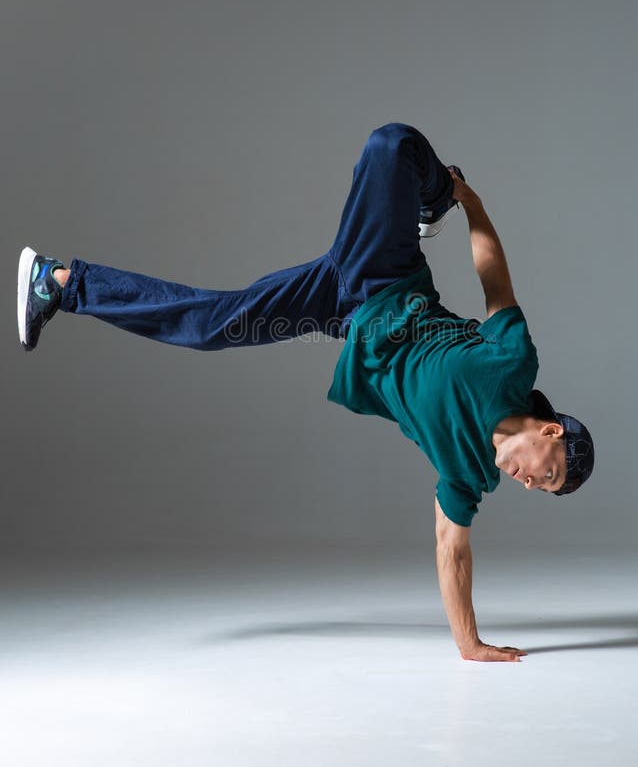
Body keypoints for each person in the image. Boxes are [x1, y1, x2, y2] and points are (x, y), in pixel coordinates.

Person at [17, 121, 594, 663]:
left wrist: (469, 644)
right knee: (390, 145)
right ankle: (435, 193)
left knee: (215, 326)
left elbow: (452, 550)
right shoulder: (512, 364)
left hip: (337, 312)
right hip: (386, 274)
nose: (531, 483)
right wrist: (468, 199)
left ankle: (60, 284)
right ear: (551, 430)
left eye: (542, 490)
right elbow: (493, 276)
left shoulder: (468, 475)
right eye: (547, 473)